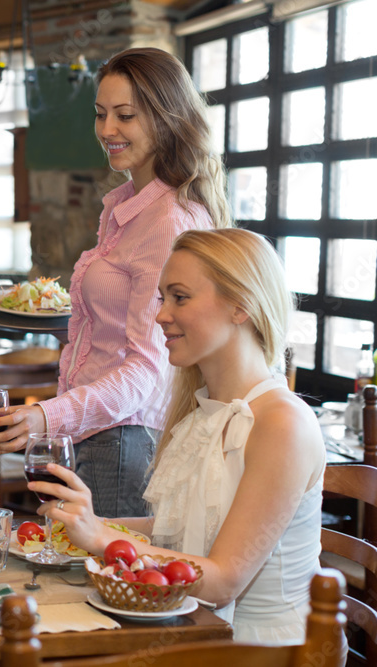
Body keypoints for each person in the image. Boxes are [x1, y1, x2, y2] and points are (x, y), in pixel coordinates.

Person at [33, 228, 326, 646]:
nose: (160, 315)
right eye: (162, 299)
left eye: (180, 297)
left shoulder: (282, 423)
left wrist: (101, 537)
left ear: (241, 305)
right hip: (192, 631)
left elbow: (224, 581)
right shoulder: (201, 409)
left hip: (259, 649)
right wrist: (84, 523)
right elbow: (178, 528)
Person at [0, 47, 231, 518]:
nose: (107, 130)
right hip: (96, 433)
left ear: (166, 119)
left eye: (125, 115)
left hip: (123, 440)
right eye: (101, 114)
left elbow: (148, 368)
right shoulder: (125, 205)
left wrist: (46, 415)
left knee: (103, 566)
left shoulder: (169, 221)